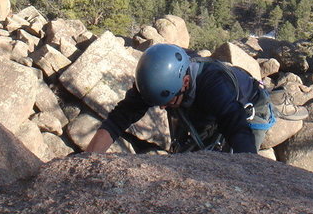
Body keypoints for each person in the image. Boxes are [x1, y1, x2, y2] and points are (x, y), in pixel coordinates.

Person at [86, 43, 276, 154]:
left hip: (247, 109)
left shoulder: (214, 87)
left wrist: (251, 173)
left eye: (167, 103)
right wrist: (88, 160)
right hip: (201, 105)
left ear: (185, 82)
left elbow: (236, 129)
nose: (161, 109)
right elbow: (117, 120)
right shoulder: (154, 79)